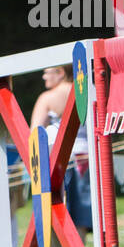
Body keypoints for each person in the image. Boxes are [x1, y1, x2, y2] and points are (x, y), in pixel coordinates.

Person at [29, 65, 92, 234]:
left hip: (59, 158)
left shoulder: (48, 98)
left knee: (55, 212)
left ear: (61, 73)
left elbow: (35, 133)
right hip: (86, 156)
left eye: (46, 72)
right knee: (81, 216)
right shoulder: (87, 92)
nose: (43, 77)